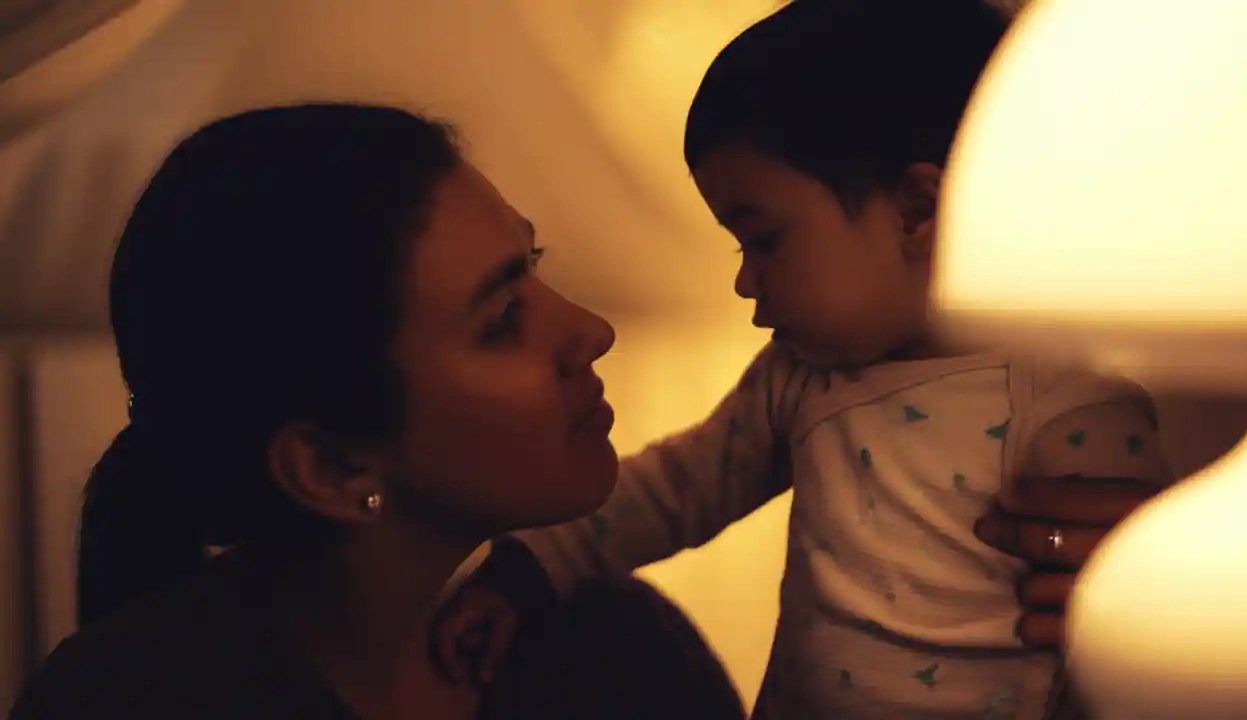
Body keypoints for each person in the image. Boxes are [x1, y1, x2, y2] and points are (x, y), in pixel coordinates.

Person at [434, 2, 1174, 718]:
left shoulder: (1072, 400)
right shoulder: (802, 376)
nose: (744, 280)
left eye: (763, 239)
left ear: (917, 211)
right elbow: (675, 489)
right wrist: (528, 570)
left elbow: (1116, 632)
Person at [6, 103, 744, 720]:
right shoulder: (125, 702)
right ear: (332, 466)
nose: (592, 331)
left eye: (536, 265)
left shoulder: (615, 651)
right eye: (502, 319)